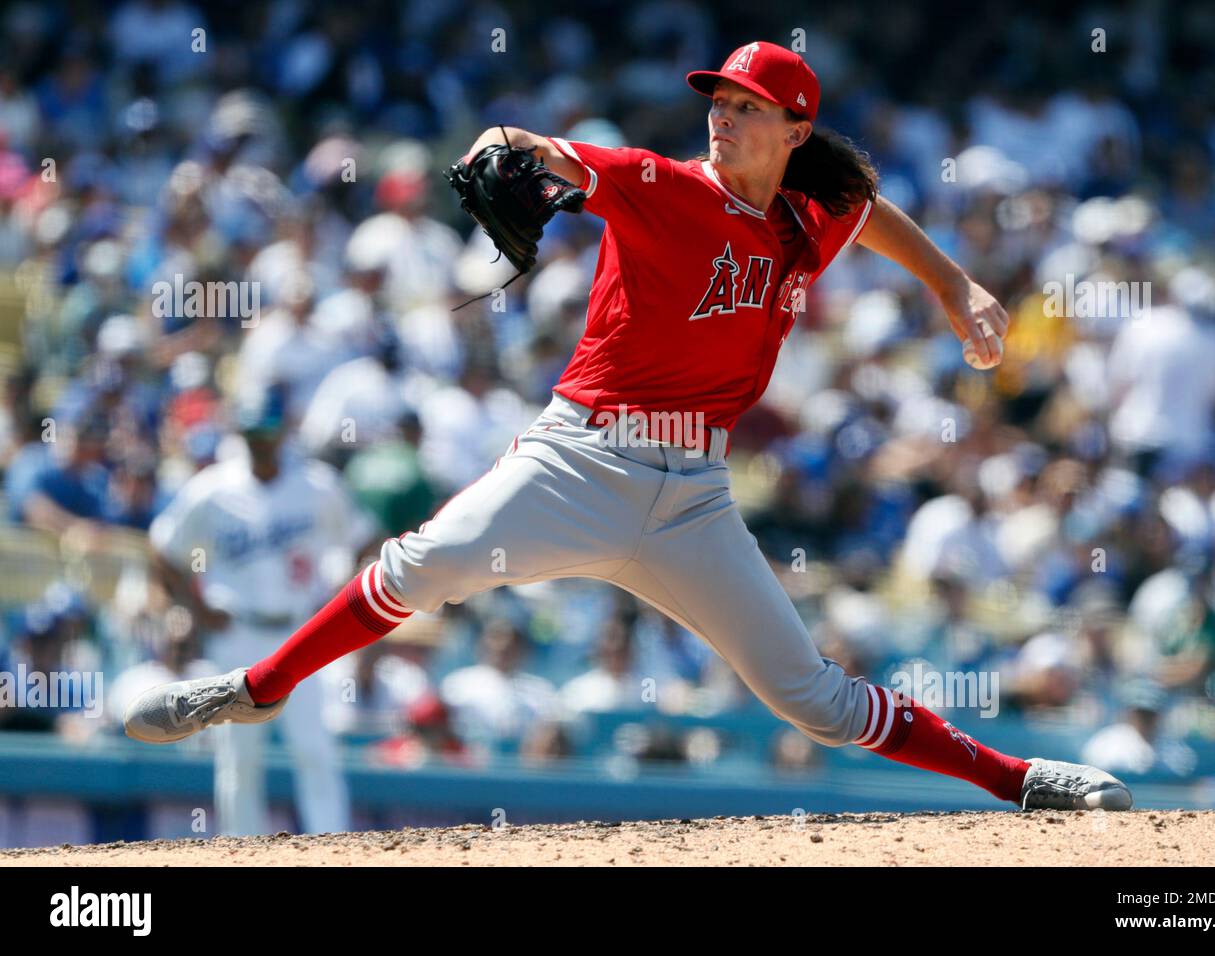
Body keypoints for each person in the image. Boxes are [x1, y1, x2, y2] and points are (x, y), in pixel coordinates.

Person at [125, 41, 1132, 812]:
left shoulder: (804, 218)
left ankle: (1020, 781)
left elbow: (866, 207)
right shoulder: (663, 187)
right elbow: (559, 155)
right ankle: (257, 685)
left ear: (791, 128)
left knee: (814, 698)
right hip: (581, 461)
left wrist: (957, 290)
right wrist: (505, 147)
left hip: (693, 497)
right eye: (718, 104)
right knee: (416, 567)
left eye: (745, 110)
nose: (721, 121)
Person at [139, 389, 377, 835]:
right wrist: (196, 608)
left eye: (267, 434)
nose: (260, 443)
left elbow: (366, 536)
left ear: (283, 432)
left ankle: (333, 845)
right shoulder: (213, 489)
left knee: (315, 748)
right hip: (238, 631)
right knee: (238, 754)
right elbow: (163, 547)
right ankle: (239, 849)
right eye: (252, 435)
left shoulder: (316, 484)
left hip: (299, 628)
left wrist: (336, 591)